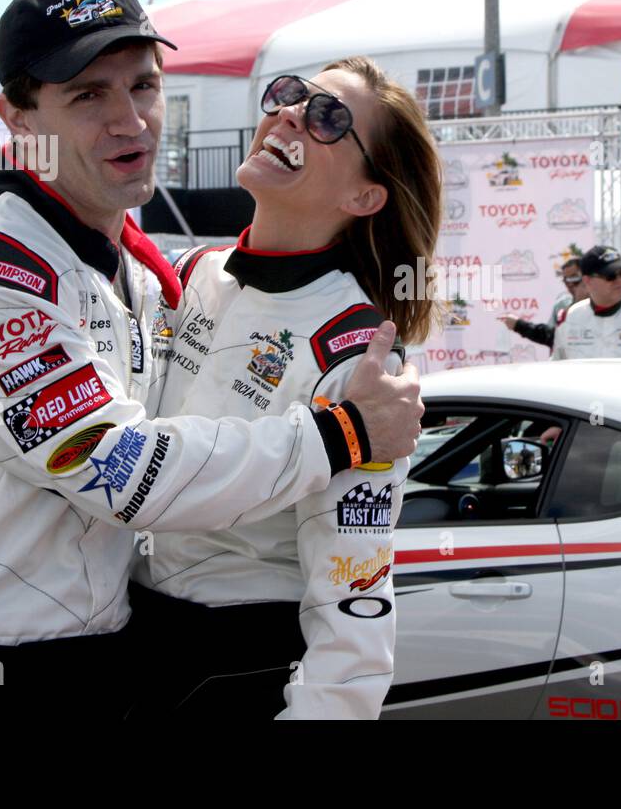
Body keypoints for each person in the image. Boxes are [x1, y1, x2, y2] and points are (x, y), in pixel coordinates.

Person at [0, 0, 422, 720]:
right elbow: (127, 475)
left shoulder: (151, 280)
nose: (131, 120)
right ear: (18, 118)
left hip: (118, 675)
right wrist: (343, 435)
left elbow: (354, 607)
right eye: (89, 95)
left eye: (144, 85)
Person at [132, 57, 441, 719]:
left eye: (330, 117)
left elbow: (355, 597)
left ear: (363, 197)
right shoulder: (187, 276)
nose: (292, 112)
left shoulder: (361, 357)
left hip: (237, 665)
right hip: (127, 641)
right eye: (291, 94)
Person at [499, 253, 586, 349]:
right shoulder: (562, 305)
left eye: (574, 277)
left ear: (587, 278)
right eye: (565, 280)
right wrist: (519, 325)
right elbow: (551, 336)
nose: (570, 284)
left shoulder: (601, 303)